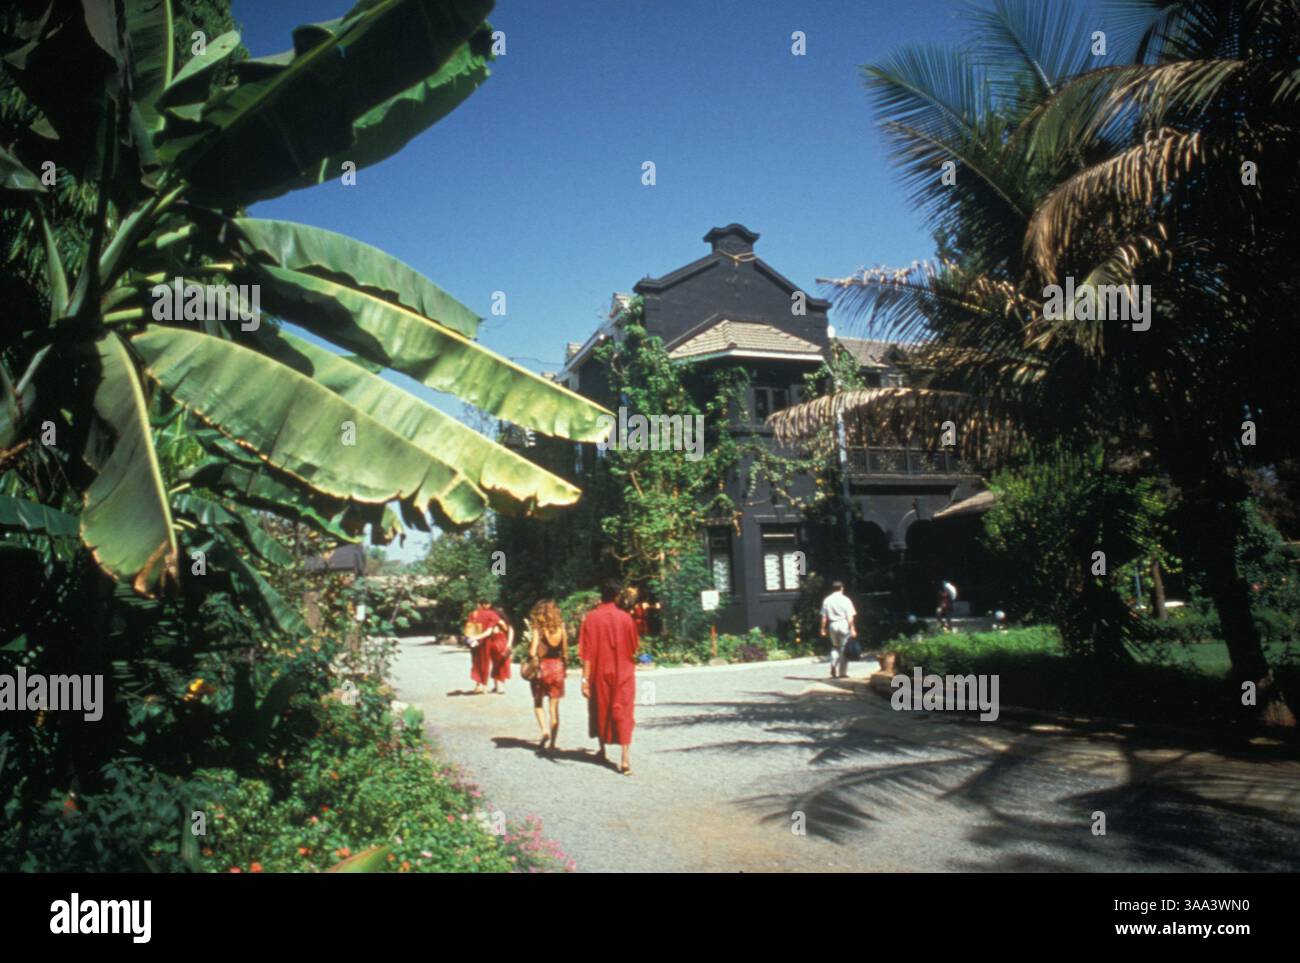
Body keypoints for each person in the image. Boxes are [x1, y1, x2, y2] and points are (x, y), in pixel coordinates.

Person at [579, 580, 639, 775]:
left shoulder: (591, 618)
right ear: (616, 596)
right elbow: (633, 647)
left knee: (600, 708)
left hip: (599, 671)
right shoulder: (626, 618)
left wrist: (584, 679)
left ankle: (602, 750)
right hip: (623, 671)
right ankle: (625, 758)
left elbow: (587, 652)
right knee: (624, 711)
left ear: (601, 596)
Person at [527, 599, 568, 752]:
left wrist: (533, 650)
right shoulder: (561, 628)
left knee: (538, 703)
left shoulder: (539, 629)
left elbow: (532, 652)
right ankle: (553, 744)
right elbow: (565, 651)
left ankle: (544, 731)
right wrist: (565, 668)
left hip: (542, 669)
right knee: (554, 709)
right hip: (557, 668)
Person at [465, 599, 511, 694]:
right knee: (493, 663)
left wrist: (471, 639)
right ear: (487, 604)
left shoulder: (473, 614)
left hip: (475, 642)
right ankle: (494, 686)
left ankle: (479, 685)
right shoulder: (491, 614)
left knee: (477, 662)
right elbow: (502, 626)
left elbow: (468, 629)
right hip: (488, 641)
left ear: (479, 604)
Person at [819, 580, 857, 679]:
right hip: (843, 624)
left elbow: (824, 617)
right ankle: (842, 673)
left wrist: (823, 628)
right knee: (844, 649)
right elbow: (850, 617)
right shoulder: (846, 600)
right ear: (842, 588)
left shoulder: (827, 600)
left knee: (835, 647)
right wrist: (852, 628)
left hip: (832, 625)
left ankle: (833, 664)